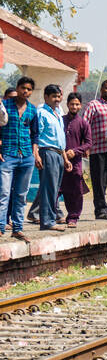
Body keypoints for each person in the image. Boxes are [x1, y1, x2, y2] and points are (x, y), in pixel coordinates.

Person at [0, 76, 39, 241]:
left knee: (21, 195)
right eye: (23, 88)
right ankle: (1, 227)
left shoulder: (32, 110)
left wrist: (34, 153)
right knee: (4, 193)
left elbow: (35, 134)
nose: (26, 91)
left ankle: (17, 228)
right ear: (17, 88)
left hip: (26, 157)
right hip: (7, 155)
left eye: (29, 89)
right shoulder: (5, 106)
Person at [82, 79, 107, 221]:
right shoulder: (94, 105)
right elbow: (84, 125)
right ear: (101, 90)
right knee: (99, 182)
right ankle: (100, 210)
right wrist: (84, 145)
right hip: (98, 150)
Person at [34, 83, 69, 232]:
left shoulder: (57, 113)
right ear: (46, 97)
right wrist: (36, 155)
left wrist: (65, 158)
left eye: (59, 96)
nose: (57, 99)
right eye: (54, 96)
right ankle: (47, 221)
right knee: (48, 188)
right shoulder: (41, 112)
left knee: (54, 188)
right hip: (47, 152)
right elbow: (36, 135)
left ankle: (50, 218)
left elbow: (60, 138)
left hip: (58, 153)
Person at [62, 92, 90, 227]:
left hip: (76, 161)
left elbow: (88, 143)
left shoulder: (83, 123)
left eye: (77, 104)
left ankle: (74, 216)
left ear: (80, 106)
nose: (74, 106)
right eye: (72, 104)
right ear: (67, 104)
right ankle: (60, 215)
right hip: (60, 159)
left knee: (76, 190)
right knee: (63, 189)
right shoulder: (60, 120)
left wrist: (75, 151)